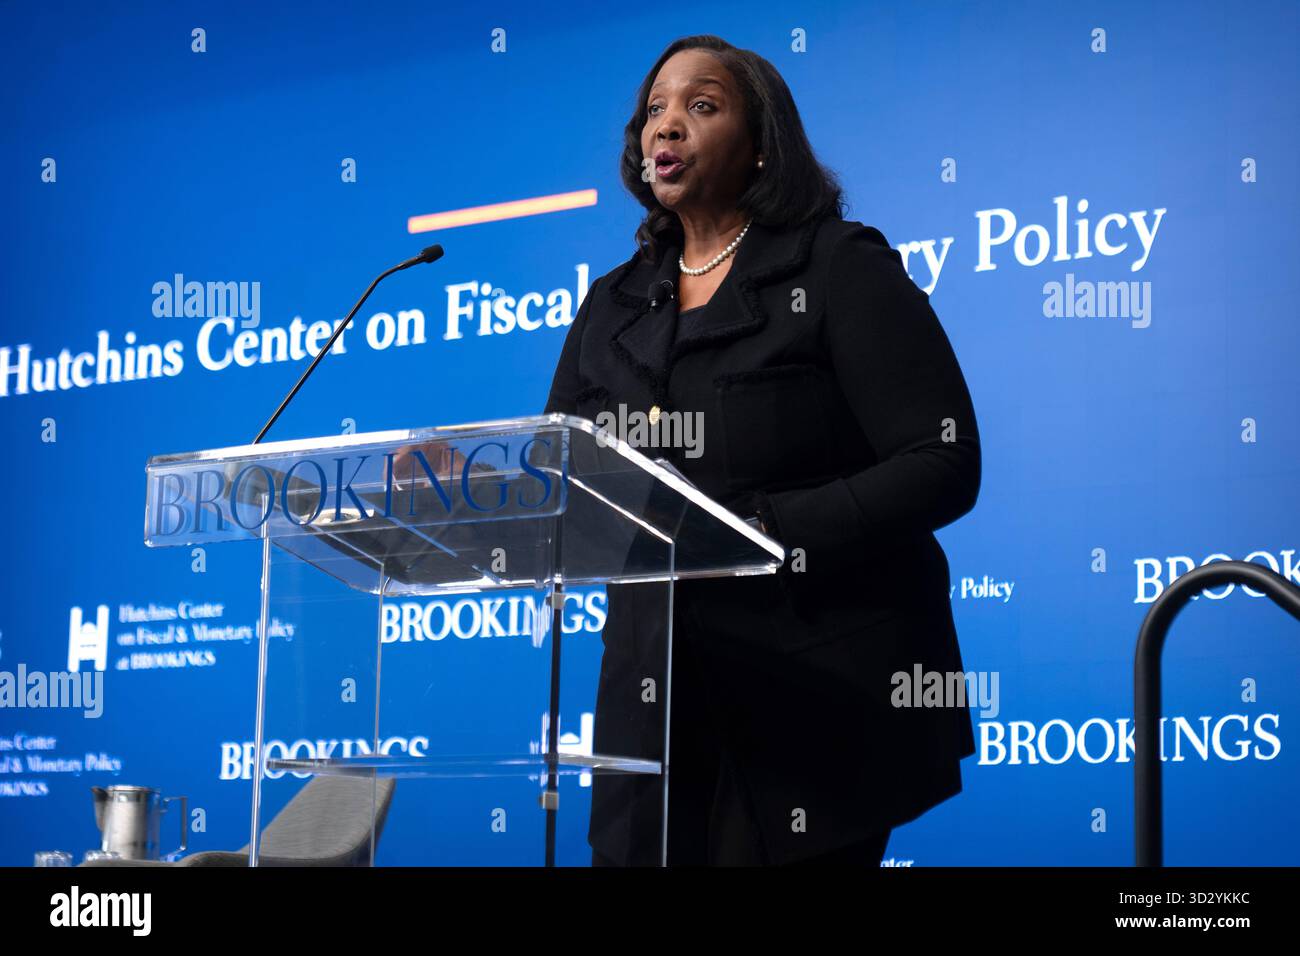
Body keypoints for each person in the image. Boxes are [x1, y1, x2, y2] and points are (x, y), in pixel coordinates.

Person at [544, 34, 982, 866]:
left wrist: (758, 536)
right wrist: (461, 484)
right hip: (653, 706)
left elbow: (943, 460)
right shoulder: (613, 304)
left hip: (814, 693)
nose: (665, 126)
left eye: (700, 106)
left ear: (760, 145)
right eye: (654, 111)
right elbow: (560, 476)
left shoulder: (837, 266)